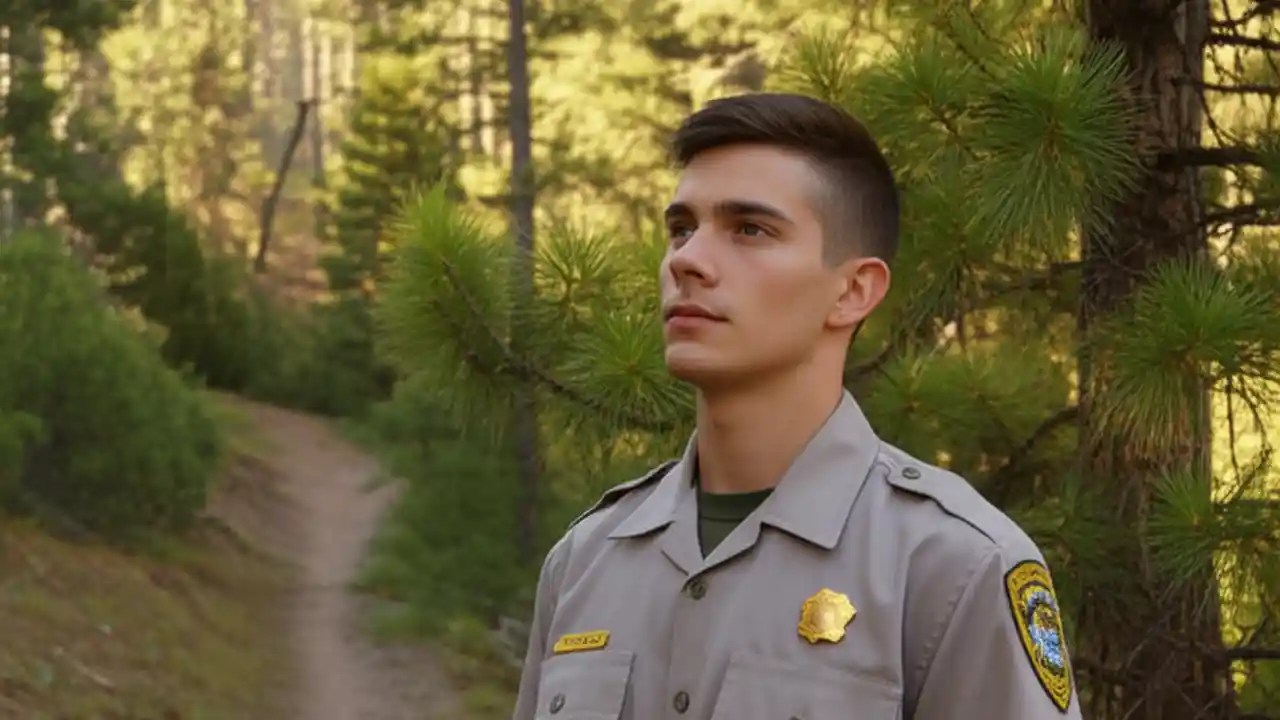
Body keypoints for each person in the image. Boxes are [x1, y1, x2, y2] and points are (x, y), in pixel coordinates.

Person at [511, 92, 1081, 720]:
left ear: (853, 290)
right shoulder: (587, 560)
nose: (688, 260)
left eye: (750, 230)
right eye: (681, 229)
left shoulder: (953, 568)